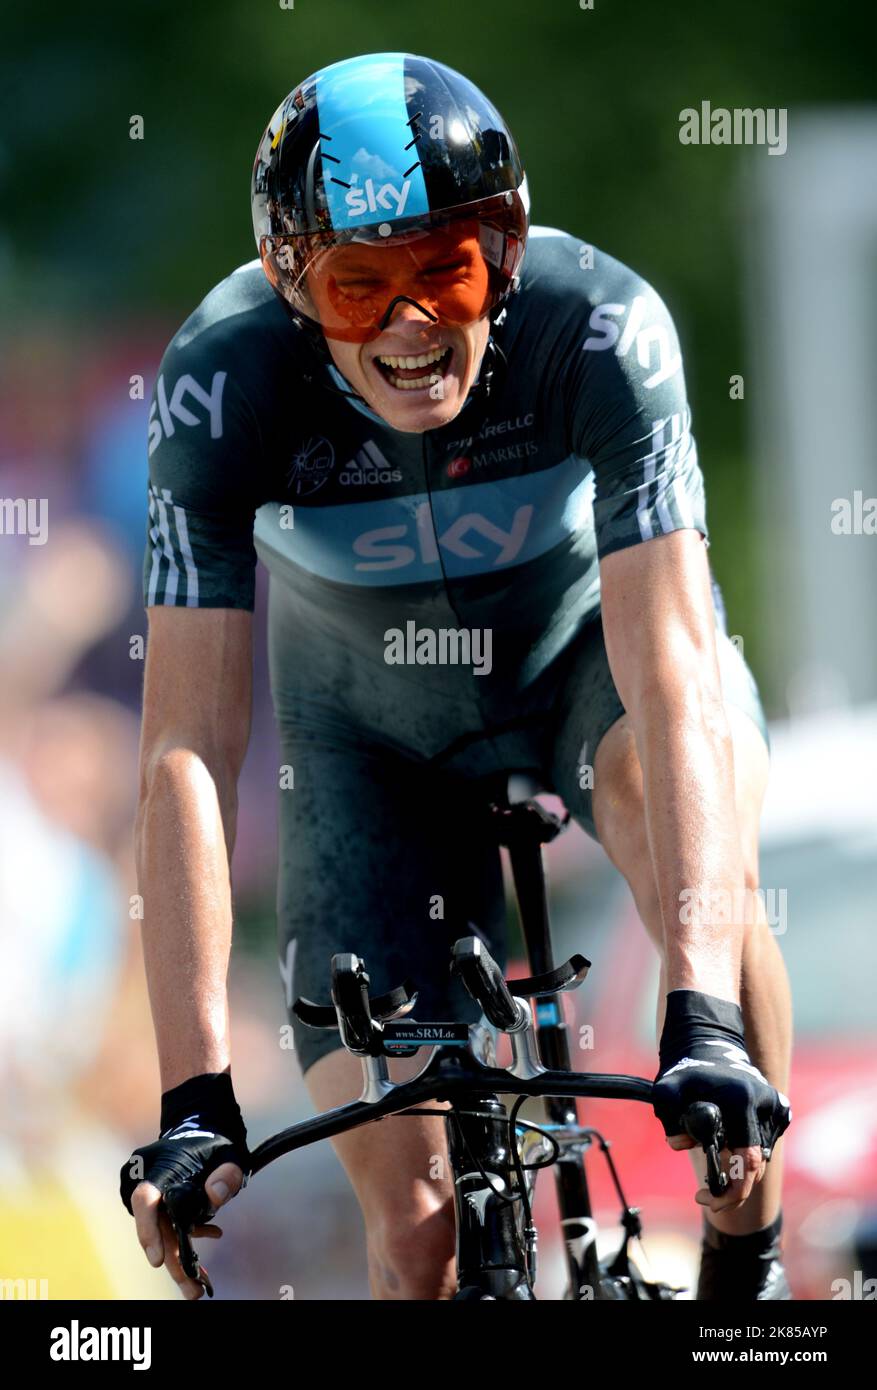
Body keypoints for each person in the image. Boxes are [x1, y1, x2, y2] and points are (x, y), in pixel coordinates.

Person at [120, 51, 792, 1301]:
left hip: (586, 672)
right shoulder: (222, 382)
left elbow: (675, 675)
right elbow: (187, 753)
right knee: (417, 1229)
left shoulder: (600, 330)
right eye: (359, 286)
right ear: (288, 287)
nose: (414, 325)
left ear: (512, 248)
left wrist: (700, 1010)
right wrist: (195, 1090)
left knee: (666, 798)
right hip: (365, 738)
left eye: (448, 271)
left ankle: (747, 1261)